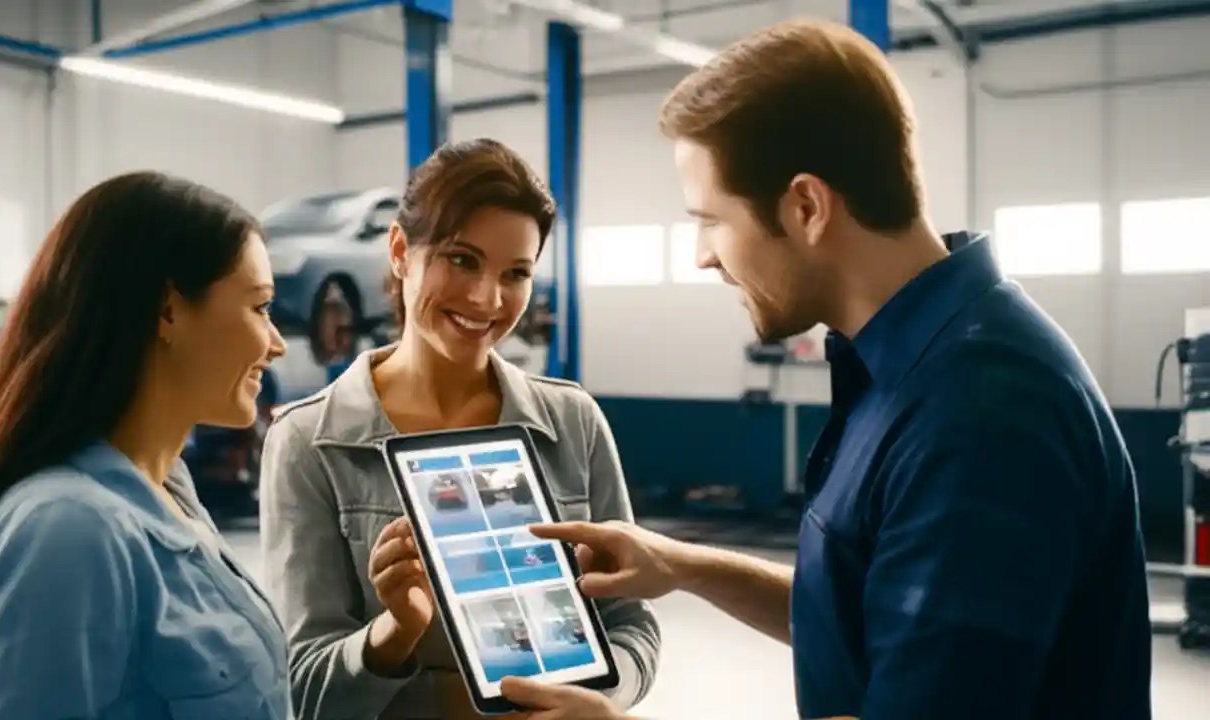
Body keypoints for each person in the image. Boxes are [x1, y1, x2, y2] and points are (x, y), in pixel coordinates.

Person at [498, 17, 1153, 720]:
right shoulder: (914, 364)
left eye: (711, 219)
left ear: (806, 206)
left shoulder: (982, 412)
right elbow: (875, 618)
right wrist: (683, 565)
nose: (702, 255)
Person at [258, 138, 661, 720]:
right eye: (462, 259)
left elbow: (629, 624)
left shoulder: (574, 423)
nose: (486, 298)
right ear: (400, 250)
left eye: (516, 273)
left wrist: (599, 700)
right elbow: (304, 688)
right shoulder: (309, 440)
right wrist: (396, 629)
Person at [0, 171, 292, 718]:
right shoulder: (68, 527)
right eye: (260, 308)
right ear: (168, 309)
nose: (278, 344)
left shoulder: (168, 490)